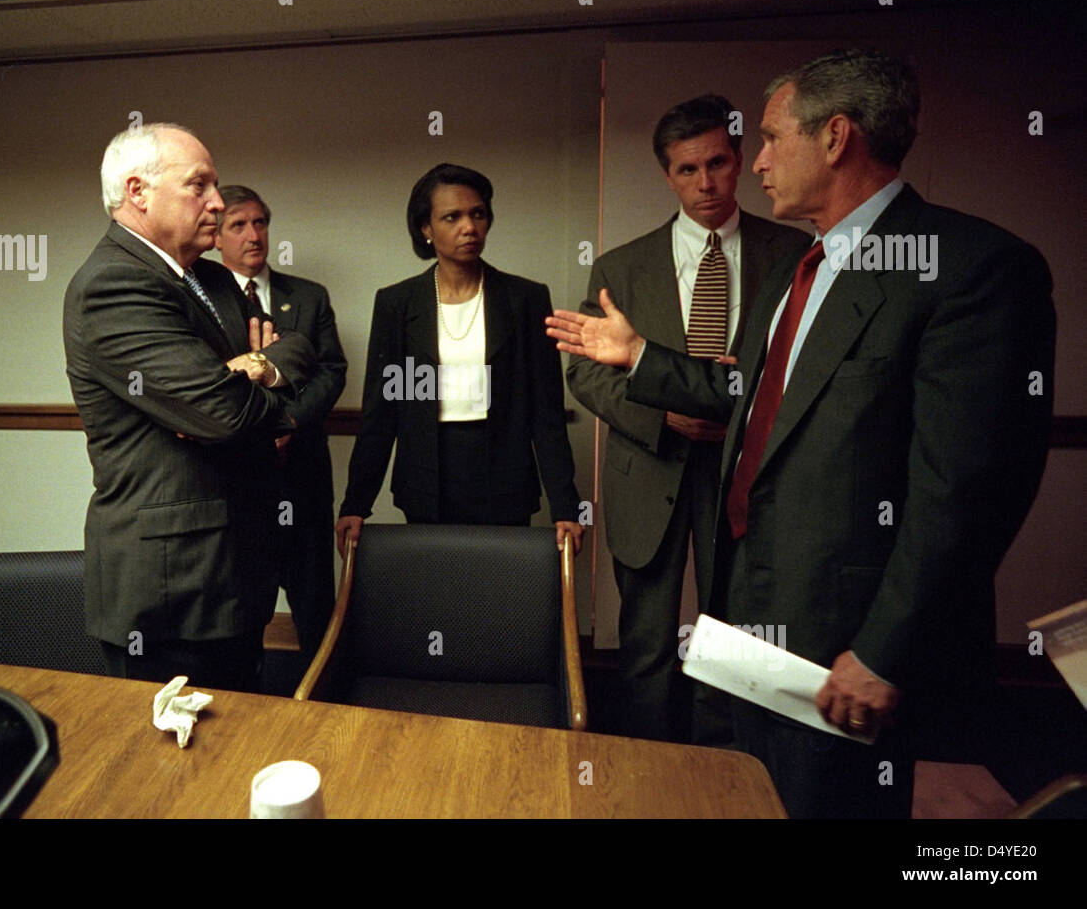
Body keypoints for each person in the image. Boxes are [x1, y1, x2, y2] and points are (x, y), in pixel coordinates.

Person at [547, 49, 1055, 817]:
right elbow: (751, 392)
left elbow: (966, 495)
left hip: (851, 634)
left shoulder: (971, 269)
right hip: (755, 606)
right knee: (763, 793)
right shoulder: (802, 269)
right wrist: (640, 356)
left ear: (836, 137)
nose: (754, 166)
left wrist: (886, 652)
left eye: (771, 139)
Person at [568, 95, 810, 745]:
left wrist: (737, 414)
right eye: (686, 170)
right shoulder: (620, 265)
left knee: (732, 647)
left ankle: (726, 781)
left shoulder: (793, 254)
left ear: (739, 161)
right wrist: (663, 417)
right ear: (666, 175)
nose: (705, 184)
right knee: (646, 647)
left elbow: (810, 372)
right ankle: (649, 779)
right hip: (649, 472)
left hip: (748, 477)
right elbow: (586, 372)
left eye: (718, 163)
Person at [63, 123, 314, 692]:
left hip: (238, 574)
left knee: (236, 756)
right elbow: (222, 413)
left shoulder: (215, 279)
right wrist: (240, 391)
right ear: (137, 191)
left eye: (216, 185)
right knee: (169, 769)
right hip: (171, 592)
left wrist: (257, 367)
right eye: (198, 185)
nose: (219, 203)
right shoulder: (111, 284)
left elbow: (298, 348)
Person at [337, 163, 583, 554]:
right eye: (452, 217)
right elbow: (380, 414)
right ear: (426, 229)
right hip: (427, 476)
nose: (469, 227)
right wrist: (356, 504)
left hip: (504, 473)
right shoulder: (397, 303)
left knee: (500, 597)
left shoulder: (526, 299)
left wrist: (566, 507)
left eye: (478, 214)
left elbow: (546, 414)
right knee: (435, 599)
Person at [202, 185, 347, 659]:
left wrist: (286, 424)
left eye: (260, 222)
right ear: (217, 237)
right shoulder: (199, 301)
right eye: (238, 225)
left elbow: (331, 371)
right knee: (239, 611)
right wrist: (256, 432)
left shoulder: (308, 296)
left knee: (315, 606)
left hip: (301, 473)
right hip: (234, 481)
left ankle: (326, 710)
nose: (253, 234)